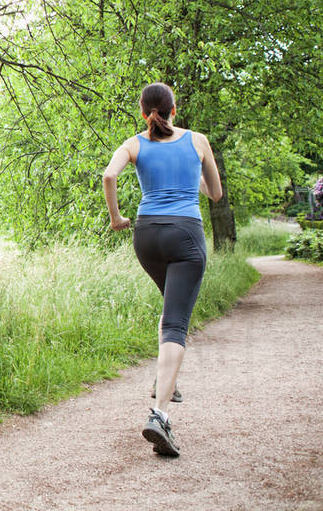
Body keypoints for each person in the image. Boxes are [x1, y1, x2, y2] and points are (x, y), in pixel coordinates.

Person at [102, 81, 223, 457]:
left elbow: (109, 176)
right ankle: (160, 416)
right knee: (176, 325)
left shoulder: (135, 143)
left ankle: (163, 382)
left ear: (143, 112)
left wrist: (116, 217)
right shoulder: (198, 141)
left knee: (169, 310)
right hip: (185, 234)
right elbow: (215, 194)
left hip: (147, 234)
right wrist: (193, 179)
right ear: (174, 109)